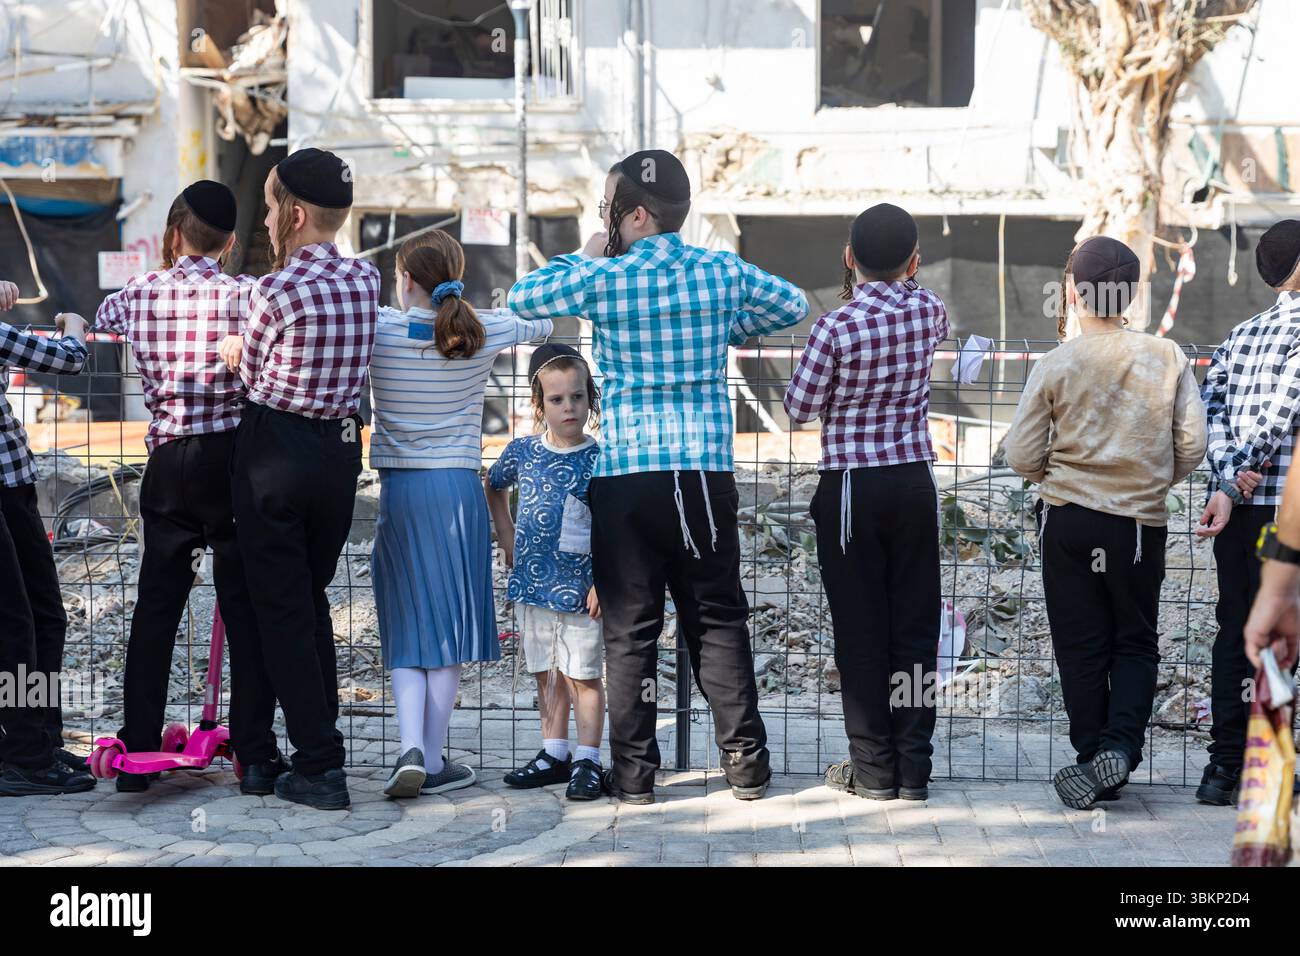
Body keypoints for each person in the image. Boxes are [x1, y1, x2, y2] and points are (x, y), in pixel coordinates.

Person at [508, 149, 808, 804]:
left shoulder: (604, 278)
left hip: (625, 477)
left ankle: (637, 777)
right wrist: (723, 320)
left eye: (607, 210)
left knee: (629, 631)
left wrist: (590, 251)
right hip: (701, 475)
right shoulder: (720, 270)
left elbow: (523, 296)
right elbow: (792, 304)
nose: (603, 220)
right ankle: (747, 767)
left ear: (635, 215)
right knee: (717, 619)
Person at [1004, 236, 1207, 810]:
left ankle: (1093, 754)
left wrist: (1058, 475)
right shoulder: (1167, 357)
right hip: (1138, 527)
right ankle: (1118, 750)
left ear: (1071, 292)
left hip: (1067, 521)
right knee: (1135, 642)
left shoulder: (1055, 363)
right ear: (1133, 293)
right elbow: (1192, 443)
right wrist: (1150, 481)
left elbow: (1020, 455)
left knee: (1080, 644)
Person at [94, 181, 277, 794]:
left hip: (169, 461)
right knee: (244, 605)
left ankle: (139, 746)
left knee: (157, 606)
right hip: (231, 460)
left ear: (173, 234)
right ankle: (253, 754)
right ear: (228, 244)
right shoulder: (247, 294)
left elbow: (100, 320)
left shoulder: (139, 292)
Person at [219, 147, 378, 810]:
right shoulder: (367, 279)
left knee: (280, 609)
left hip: (276, 451)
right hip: (339, 455)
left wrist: (232, 351)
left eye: (269, 205)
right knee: (305, 601)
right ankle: (286, 751)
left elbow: (252, 371)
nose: (264, 217)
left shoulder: (275, 289)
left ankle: (317, 762)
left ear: (296, 212)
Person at [367, 229, 551, 798]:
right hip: (458, 492)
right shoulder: (483, 328)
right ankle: (438, 755)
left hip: (400, 492)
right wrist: (589, 251)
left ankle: (408, 749)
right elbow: (543, 320)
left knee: (406, 628)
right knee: (446, 632)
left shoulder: (380, 328)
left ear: (405, 280)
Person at [784, 203, 948, 801]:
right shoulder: (930, 309)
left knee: (860, 630)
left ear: (849, 259)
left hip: (852, 484)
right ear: (914, 261)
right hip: (912, 481)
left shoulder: (835, 327)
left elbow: (799, 408)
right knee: (914, 628)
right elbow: (926, 314)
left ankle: (873, 770)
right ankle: (914, 768)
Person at [1195, 218, 1300, 805]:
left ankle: (1222, 767)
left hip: (1235, 513)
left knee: (1233, 631)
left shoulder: (1238, 335)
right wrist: (1239, 480)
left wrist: (1227, 476)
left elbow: (1211, 415)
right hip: (1283, 514)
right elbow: (1283, 413)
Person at [486, 343, 605, 801]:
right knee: (546, 672)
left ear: (590, 399)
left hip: (581, 592)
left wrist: (604, 580)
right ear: (539, 405)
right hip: (532, 585)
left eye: (577, 397)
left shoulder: (601, 460)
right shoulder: (522, 452)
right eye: (557, 400)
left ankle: (588, 759)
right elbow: (493, 487)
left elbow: (614, 528)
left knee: (584, 675)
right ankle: (554, 752)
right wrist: (507, 536)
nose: (568, 407)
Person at [0, 280, 96, 796]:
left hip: (12, 481)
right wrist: (76, 328)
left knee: (42, 614)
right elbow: (66, 358)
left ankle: (38, 736)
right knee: (14, 624)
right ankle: (22, 754)